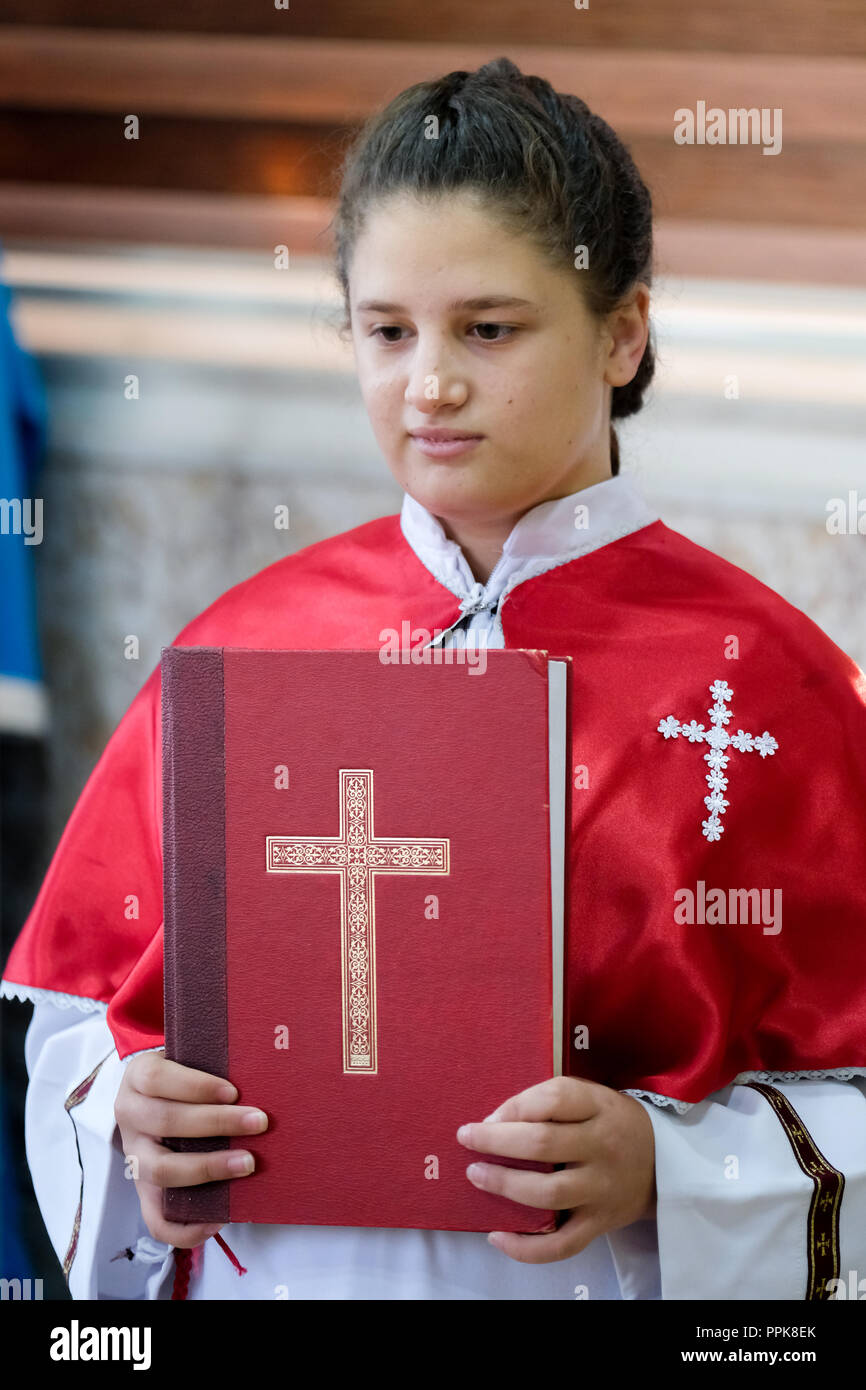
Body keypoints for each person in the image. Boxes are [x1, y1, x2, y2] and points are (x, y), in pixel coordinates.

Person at [3, 57, 865, 1302]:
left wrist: (667, 1169)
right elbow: (82, 1023)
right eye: (386, 330)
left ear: (620, 332)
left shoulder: (765, 681)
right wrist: (125, 1112)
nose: (432, 384)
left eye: (488, 328)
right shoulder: (248, 646)